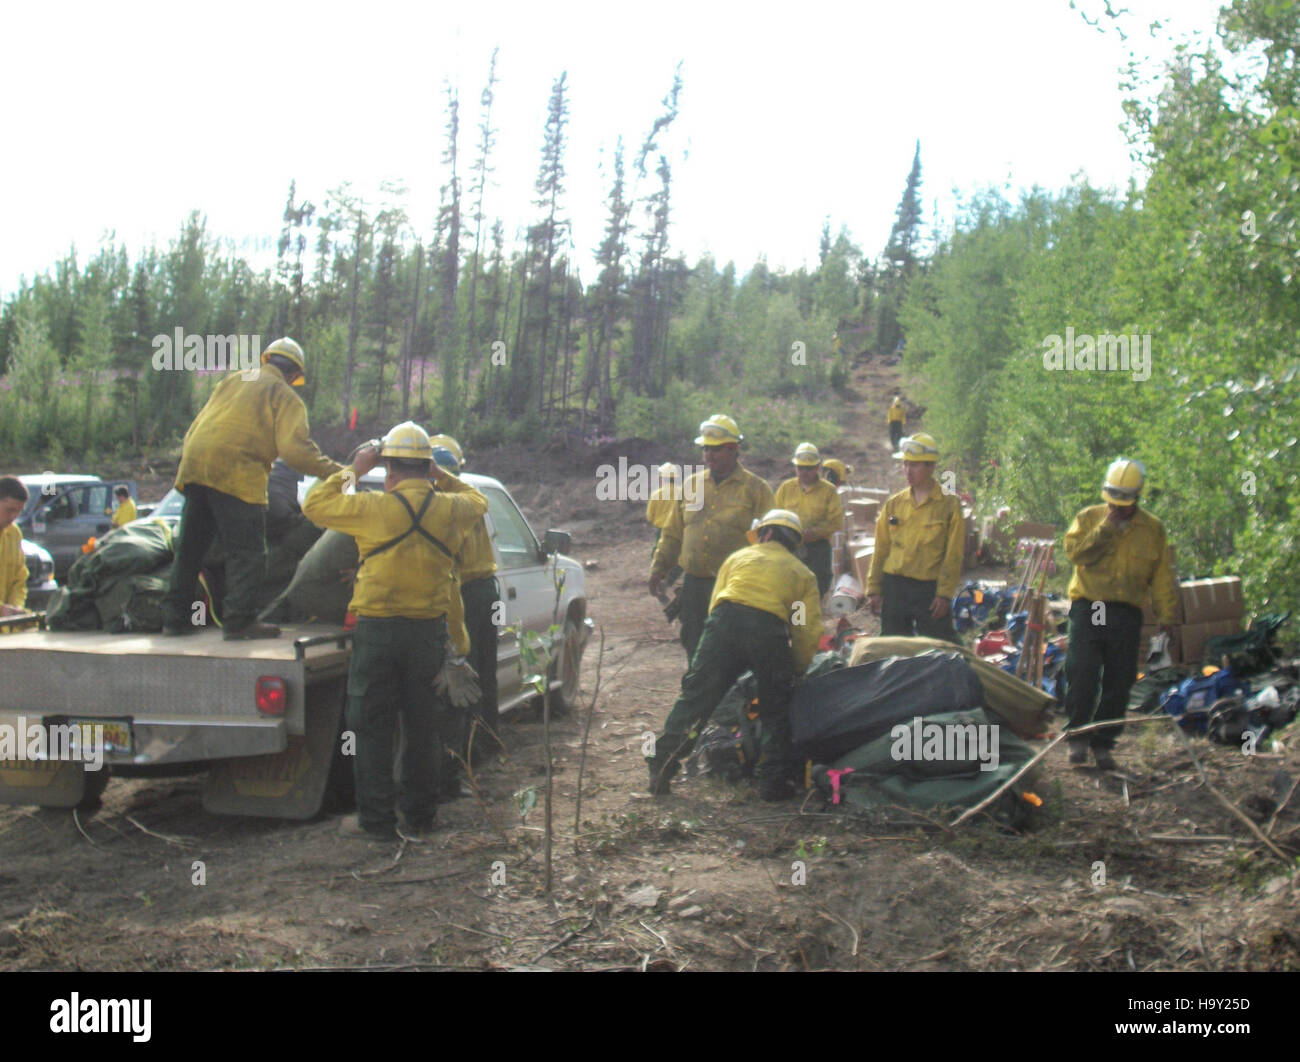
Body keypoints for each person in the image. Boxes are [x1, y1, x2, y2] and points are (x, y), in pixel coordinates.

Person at [302, 421, 488, 841]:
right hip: (427, 635)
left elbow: (315, 504)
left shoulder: (373, 507)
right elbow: (476, 499)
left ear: (388, 470)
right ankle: (421, 817)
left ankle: (378, 823)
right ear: (426, 468)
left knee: (371, 728)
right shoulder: (450, 508)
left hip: (377, 633)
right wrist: (440, 475)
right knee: (423, 726)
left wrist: (354, 468)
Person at [161, 337, 342, 640]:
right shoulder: (284, 395)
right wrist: (337, 472)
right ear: (294, 374)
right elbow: (294, 450)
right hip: (237, 472)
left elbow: (199, 423)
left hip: (196, 465)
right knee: (247, 553)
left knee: (190, 549)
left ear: (267, 359)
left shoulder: (235, 380)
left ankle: (174, 620)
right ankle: (239, 622)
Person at [646, 509, 822, 801]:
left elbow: (717, 604)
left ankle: (661, 767)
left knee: (696, 700)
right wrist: (797, 667)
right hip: (768, 632)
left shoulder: (737, 559)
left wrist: (710, 653)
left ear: (764, 534)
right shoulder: (802, 574)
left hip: (724, 624)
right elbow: (803, 626)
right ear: (795, 543)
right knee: (775, 709)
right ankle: (771, 784)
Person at [1062, 458, 1177, 771]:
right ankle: (1077, 736)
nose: (1118, 508)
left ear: (1137, 497)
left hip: (1126, 611)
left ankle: (1103, 744)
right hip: (1093, 606)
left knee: (1119, 680)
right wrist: (1105, 529)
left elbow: (1162, 575)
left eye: (1124, 504)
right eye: (1114, 503)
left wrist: (1166, 615)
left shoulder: (1153, 530)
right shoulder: (1089, 518)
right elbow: (1075, 553)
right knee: (1083, 672)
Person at [649, 414, 774, 661]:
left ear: (734, 449)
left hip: (735, 587)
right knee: (694, 641)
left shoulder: (756, 490)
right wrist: (659, 567)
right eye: (706, 448)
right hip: (695, 585)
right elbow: (673, 533)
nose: (709, 455)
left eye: (716, 449)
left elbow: (772, 541)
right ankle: (697, 692)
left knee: (731, 647)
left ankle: (728, 697)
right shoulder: (691, 486)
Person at [430, 434, 503, 773]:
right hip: (486, 590)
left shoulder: (440, 505)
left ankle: (464, 756)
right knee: (485, 671)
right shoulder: (470, 497)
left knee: (464, 673)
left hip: (462, 594)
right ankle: (485, 743)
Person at [865, 433, 963, 644]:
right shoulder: (894, 504)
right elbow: (881, 548)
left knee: (939, 647)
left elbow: (953, 555)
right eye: (905, 464)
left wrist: (944, 594)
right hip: (895, 586)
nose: (908, 471)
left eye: (915, 465)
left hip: (928, 590)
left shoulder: (949, 505)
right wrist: (874, 588)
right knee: (893, 647)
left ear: (930, 467)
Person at [774, 442, 844, 598]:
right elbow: (775, 516)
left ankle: (809, 620)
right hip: (790, 548)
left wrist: (811, 534)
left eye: (809, 468)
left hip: (817, 549)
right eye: (801, 468)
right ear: (795, 468)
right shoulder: (786, 488)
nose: (804, 472)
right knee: (791, 591)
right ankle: (796, 620)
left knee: (815, 590)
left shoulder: (829, 491)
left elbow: (835, 522)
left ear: (817, 467)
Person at [644, 462, 682, 588]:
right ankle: (668, 581)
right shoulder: (682, 493)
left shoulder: (656, 495)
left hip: (661, 530)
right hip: (678, 530)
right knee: (679, 558)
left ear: (662, 478)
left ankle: (658, 578)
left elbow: (650, 516)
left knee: (659, 554)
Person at [0, 477, 30, 618]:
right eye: (9, 510)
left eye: (18, 511)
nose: (13, 516)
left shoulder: (14, 533)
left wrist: (16, 608)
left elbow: (20, 579)